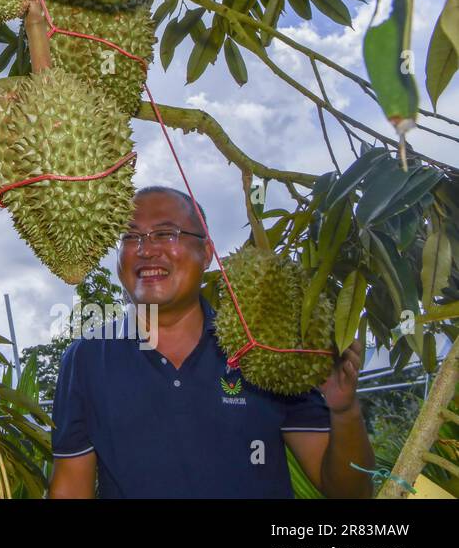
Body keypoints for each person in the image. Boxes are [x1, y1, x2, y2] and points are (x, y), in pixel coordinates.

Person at [47, 186, 375, 499]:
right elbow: (71, 487)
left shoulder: (265, 348)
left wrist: (344, 411)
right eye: (130, 237)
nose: (146, 250)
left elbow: (348, 491)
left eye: (165, 234)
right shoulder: (86, 359)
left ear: (206, 253)